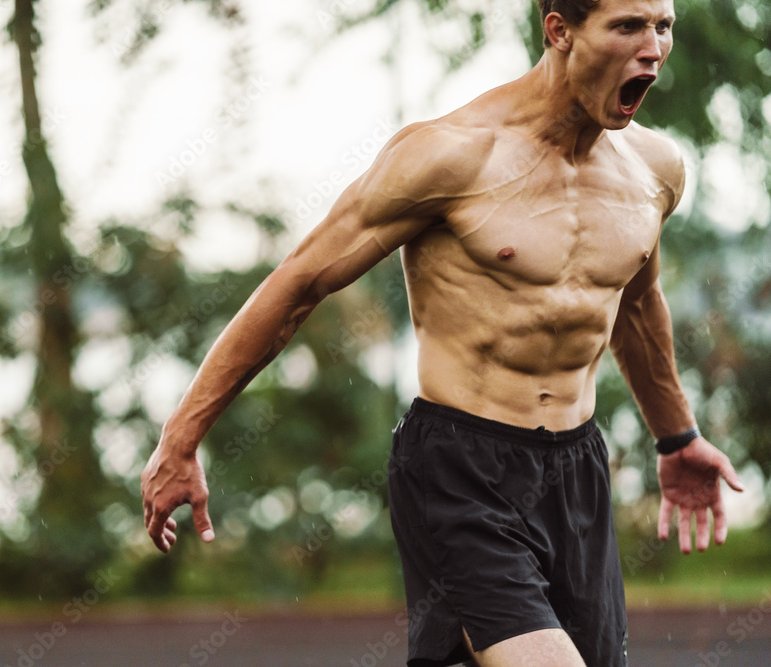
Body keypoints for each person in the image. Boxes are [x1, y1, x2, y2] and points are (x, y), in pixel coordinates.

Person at [140, 0, 746, 664]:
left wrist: (677, 435)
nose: (654, 48)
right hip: (460, 468)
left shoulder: (654, 171)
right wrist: (182, 434)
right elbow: (300, 281)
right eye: (628, 26)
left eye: (664, 27)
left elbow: (635, 303)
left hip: (577, 471)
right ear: (560, 31)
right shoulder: (452, 156)